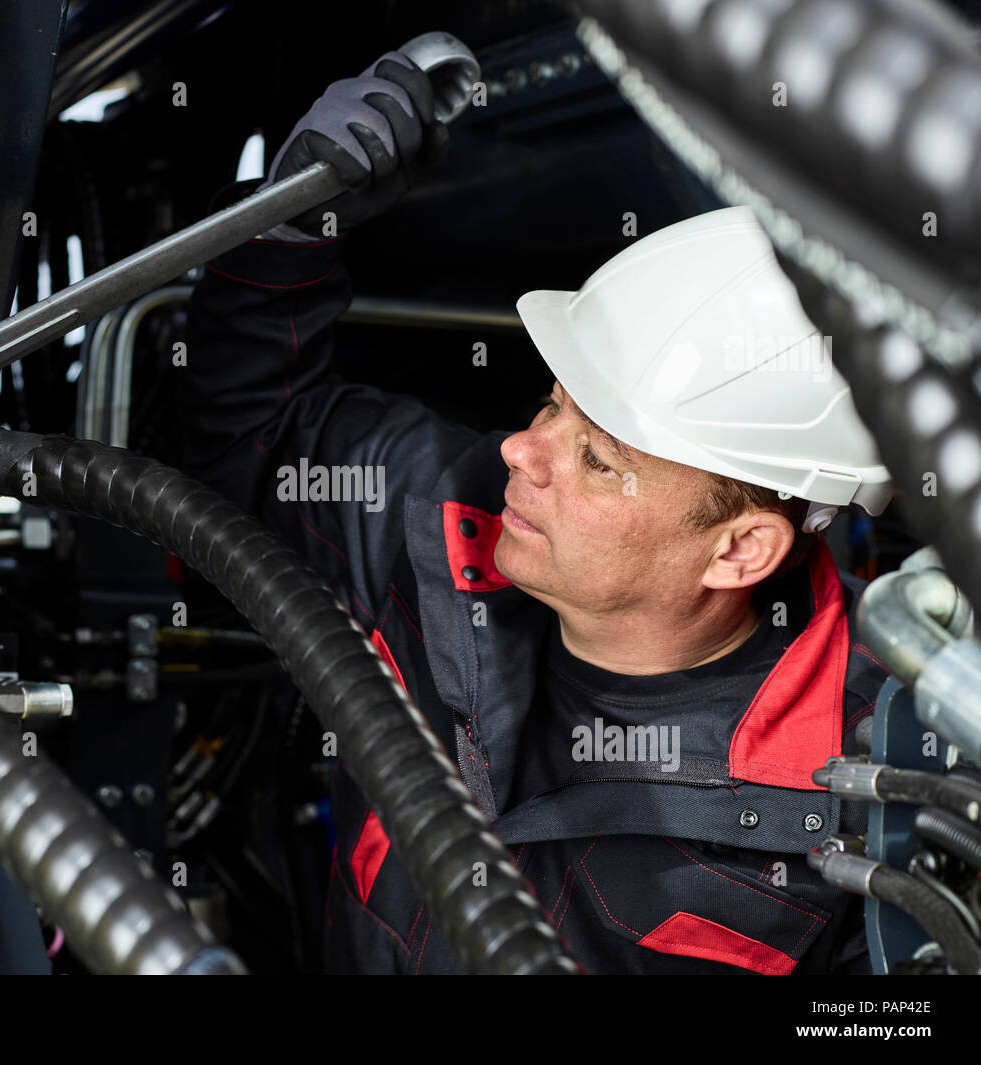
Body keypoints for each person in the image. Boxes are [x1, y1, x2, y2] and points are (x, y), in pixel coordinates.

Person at [176, 51, 894, 974]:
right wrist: (287, 226)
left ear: (740, 550)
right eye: (552, 402)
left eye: (598, 458)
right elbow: (251, 431)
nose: (522, 448)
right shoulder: (444, 513)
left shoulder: (876, 787)